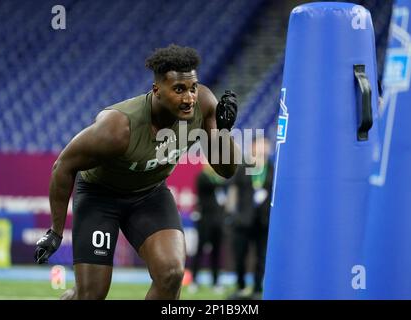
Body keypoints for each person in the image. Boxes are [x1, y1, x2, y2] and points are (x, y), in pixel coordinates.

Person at [34, 44, 239, 300]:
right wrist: (55, 232)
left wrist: (223, 130)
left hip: (149, 195)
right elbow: (63, 166)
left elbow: (226, 170)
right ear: (157, 91)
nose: (189, 98)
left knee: (171, 273)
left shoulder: (204, 105)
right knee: (91, 294)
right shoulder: (118, 127)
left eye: (193, 88)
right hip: (100, 197)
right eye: (179, 89)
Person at [227, 137, 273, 300]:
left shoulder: (273, 168)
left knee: (261, 256)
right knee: (240, 255)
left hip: (264, 221)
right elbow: (233, 190)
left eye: (266, 145)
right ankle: (240, 287)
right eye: (260, 145)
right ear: (252, 147)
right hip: (242, 221)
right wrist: (231, 214)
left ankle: (257, 288)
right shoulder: (243, 167)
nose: (263, 148)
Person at [189, 163, 226, 293]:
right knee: (200, 250)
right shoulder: (203, 177)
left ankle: (216, 282)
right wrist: (222, 179)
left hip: (218, 220)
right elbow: (211, 186)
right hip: (205, 219)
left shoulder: (218, 179)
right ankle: (194, 280)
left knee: (216, 252)